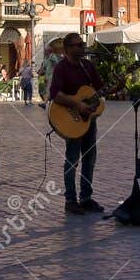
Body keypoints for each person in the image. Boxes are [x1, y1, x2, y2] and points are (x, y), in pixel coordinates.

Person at [48, 33, 104, 215]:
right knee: (72, 160)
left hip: (89, 121)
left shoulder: (88, 66)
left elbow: (99, 88)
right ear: (68, 49)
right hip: (71, 120)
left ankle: (86, 198)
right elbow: (55, 94)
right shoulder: (61, 68)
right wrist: (77, 104)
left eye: (82, 44)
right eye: (77, 45)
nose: (81, 47)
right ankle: (70, 200)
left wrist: (117, 86)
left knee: (90, 159)